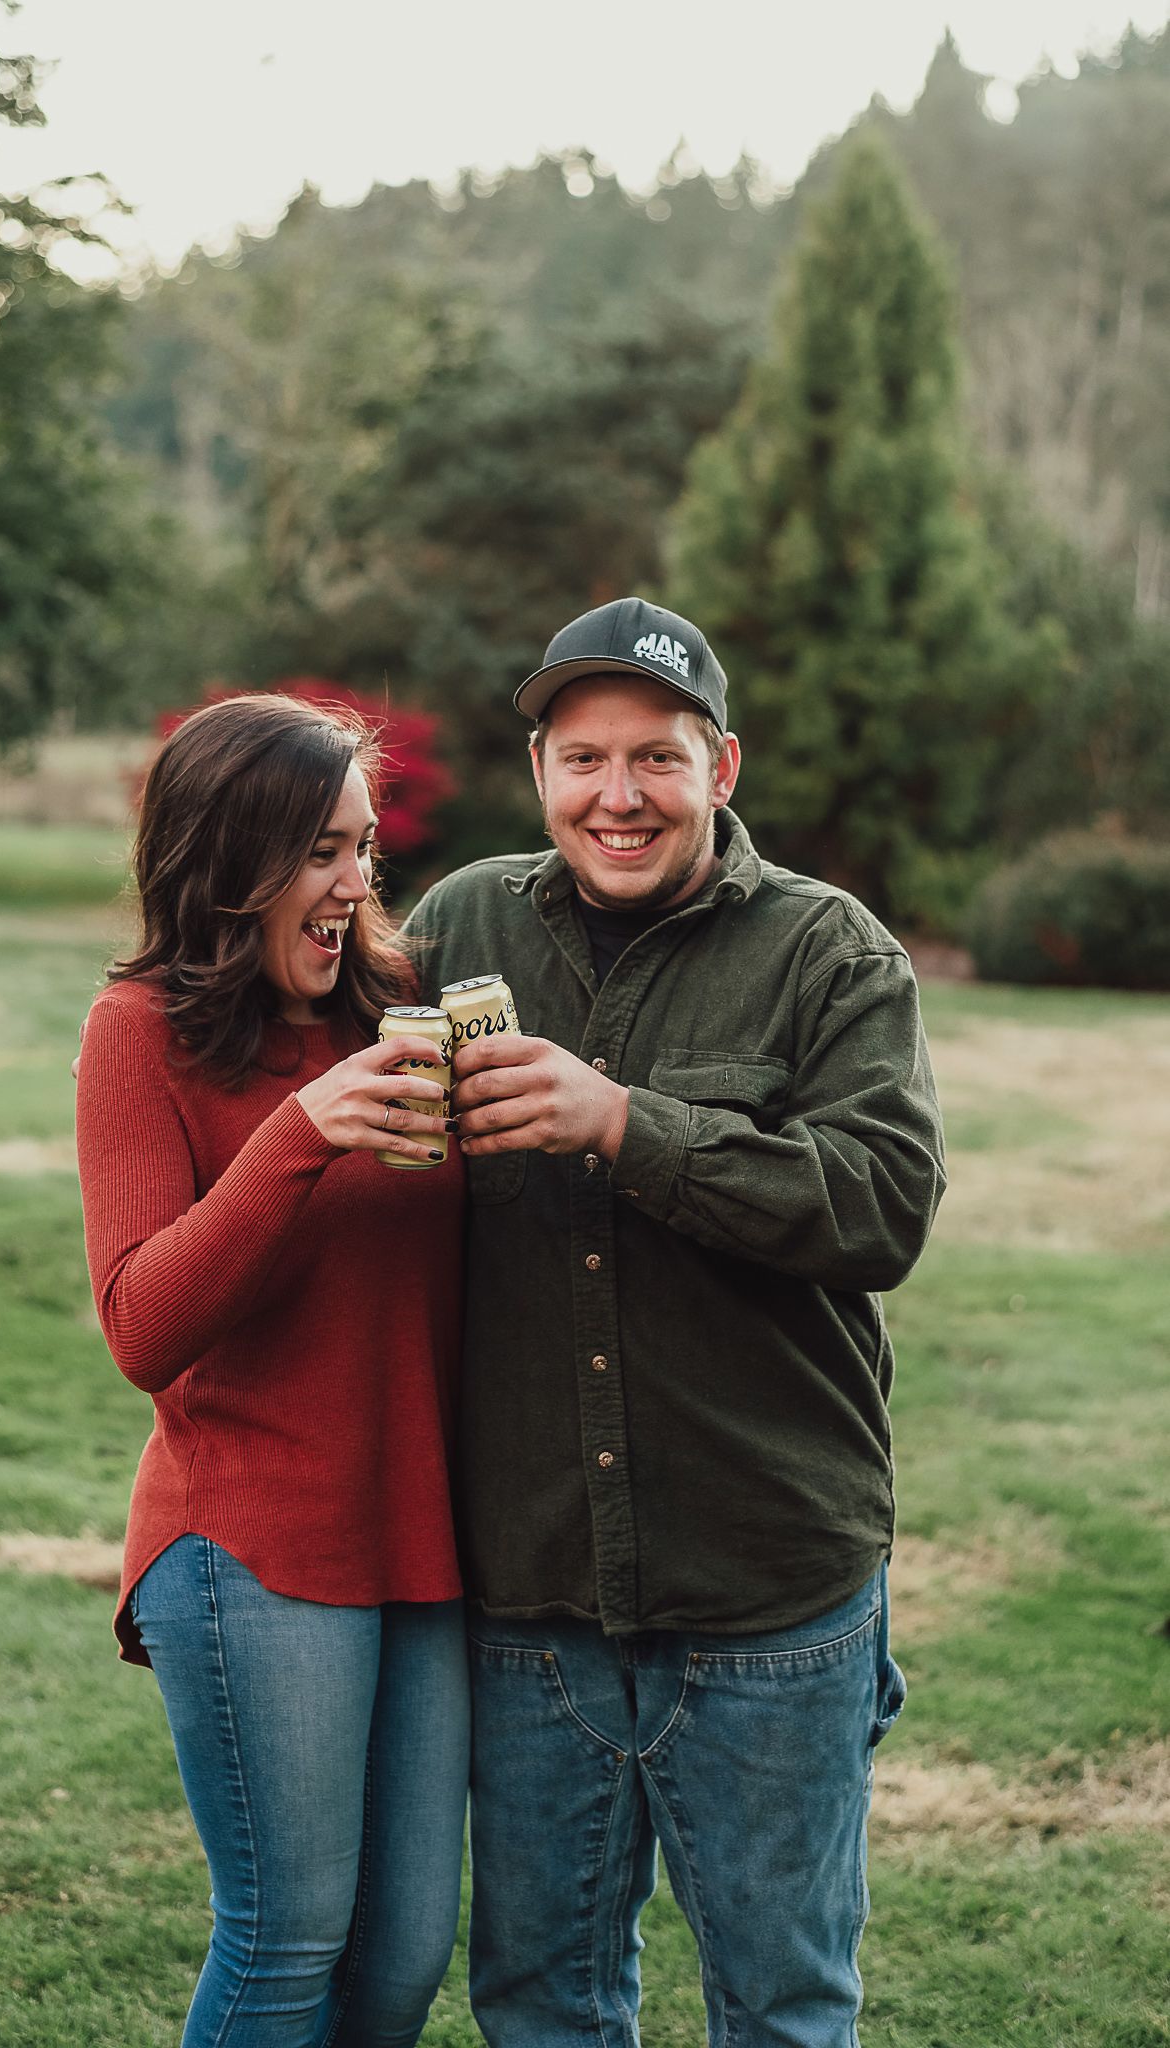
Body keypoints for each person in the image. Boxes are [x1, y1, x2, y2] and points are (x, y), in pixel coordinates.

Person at [400, 595, 946, 2047]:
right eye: (584, 758)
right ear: (539, 770)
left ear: (723, 766)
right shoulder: (455, 925)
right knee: (542, 2008)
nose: (619, 795)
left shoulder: (831, 953)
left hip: (766, 1599)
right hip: (527, 1602)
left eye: (658, 756)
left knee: (781, 2009)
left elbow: (883, 1207)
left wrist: (623, 1124)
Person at [74, 693, 468, 2048]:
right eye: (318, 852)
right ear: (228, 861)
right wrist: (298, 1135)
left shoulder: (401, 1014)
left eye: (361, 848)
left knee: (405, 1958)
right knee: (289, 1940)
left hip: (421, 1538)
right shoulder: (140, 1032)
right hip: (250, 1541)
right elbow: (140, 1327)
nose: (354, 883)